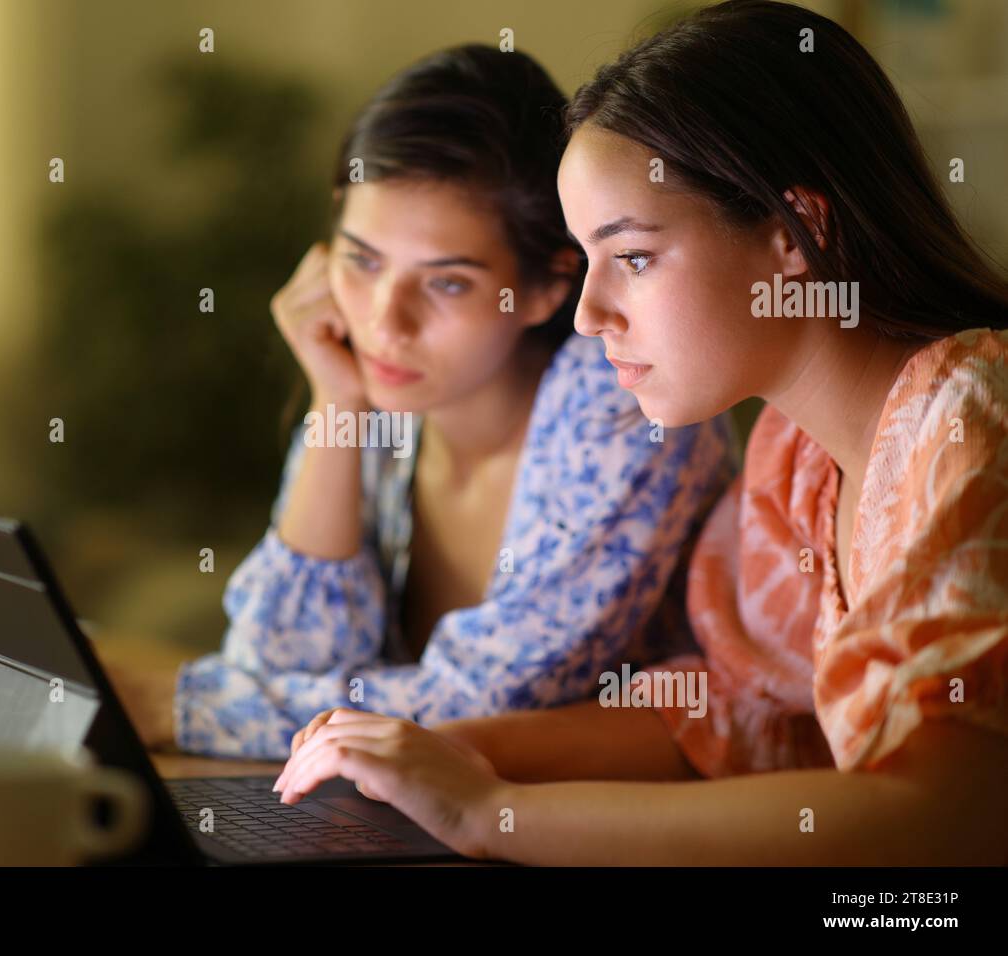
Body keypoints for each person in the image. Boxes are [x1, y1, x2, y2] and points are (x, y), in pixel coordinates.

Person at [275, 1, 1008, 865]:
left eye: (632, 258)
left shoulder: (974, 414)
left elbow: (942, 822)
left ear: (797, 234)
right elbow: (733, 717)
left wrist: (490, 813)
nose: (589, 316)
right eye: (588, 261)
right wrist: (452, 749)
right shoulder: (796, 460)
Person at [128, 44, 733, 758]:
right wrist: (336, 400)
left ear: (544, 285)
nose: (385, 322)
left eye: (447, 283)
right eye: (362, 261)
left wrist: (188, 707)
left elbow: (485, 702)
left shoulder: (618, 406)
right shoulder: (381, 404)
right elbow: (276, 657)